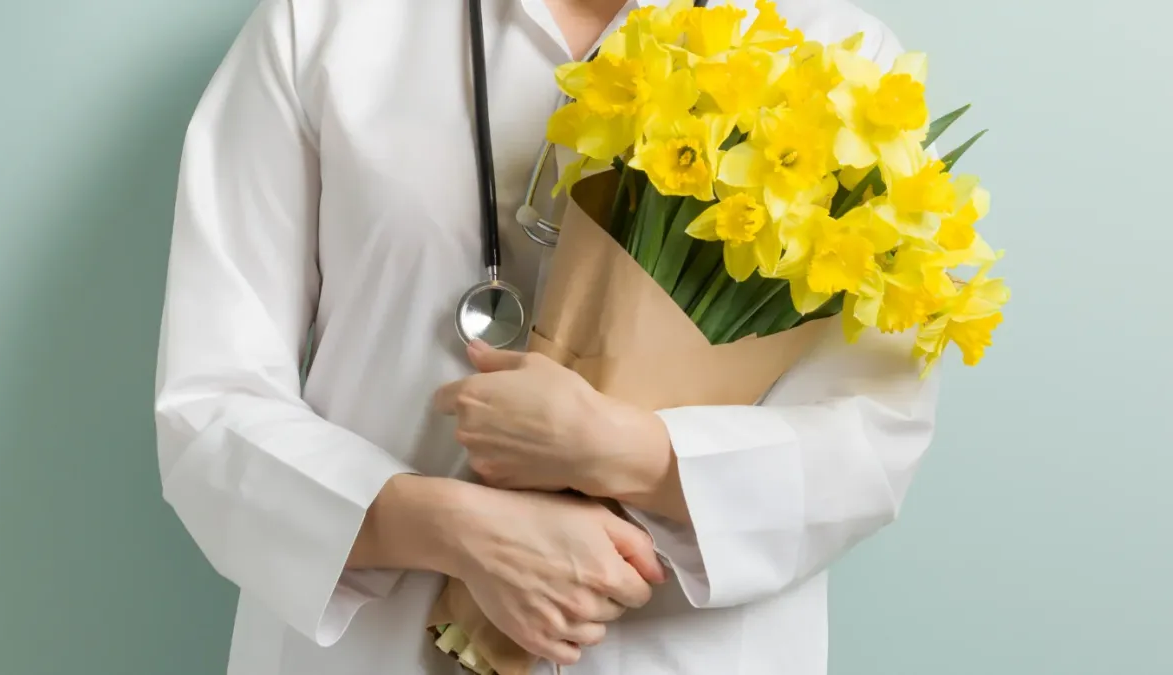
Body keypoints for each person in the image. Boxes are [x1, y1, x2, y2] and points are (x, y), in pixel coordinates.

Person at [153, 0, 940, 673]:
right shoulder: (325, 22)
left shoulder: (840, 59)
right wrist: (453, 529)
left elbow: (870, 438)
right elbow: (210, 401)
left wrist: (633, 453)